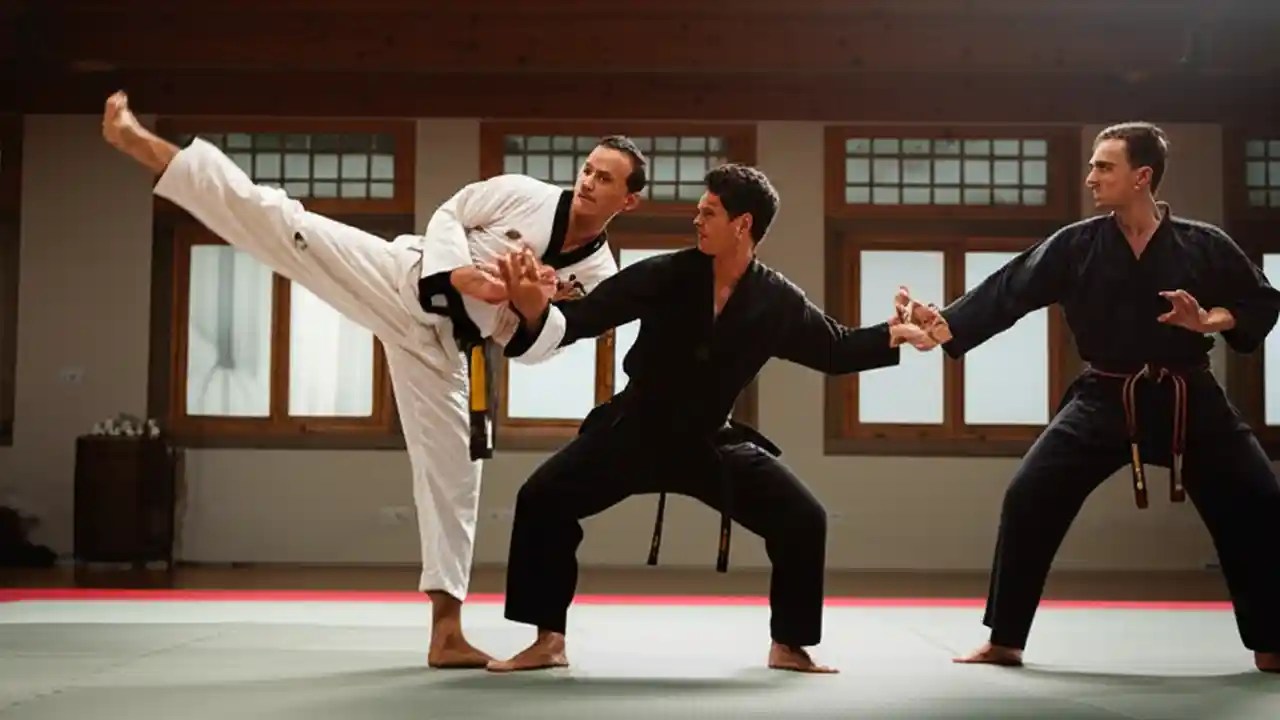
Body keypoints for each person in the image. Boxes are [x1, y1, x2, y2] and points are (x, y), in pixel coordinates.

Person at [100, 91, 648, 668]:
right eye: (588, 169)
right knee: (287, 224)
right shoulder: (524, 194)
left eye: (605, 178)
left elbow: (546, 345)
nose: (588, 181)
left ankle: (446, 633)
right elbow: (450, 213)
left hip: (446, 349)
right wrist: (463, 275)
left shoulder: (597, 276)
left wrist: (530, 307)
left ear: (628, 201)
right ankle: (153, 150)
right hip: (403, 279)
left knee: (457, 480)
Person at [482, 163, 936, 674]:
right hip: (634, 429)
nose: (696, 221)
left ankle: (789, 643)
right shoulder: (666, 274)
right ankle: (548, 640)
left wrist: (895, 332)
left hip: (707, 441)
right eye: (698, 212)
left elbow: (834, 348)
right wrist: (532, 308)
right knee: (541, 499)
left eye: (708, 213)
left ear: (743, 224)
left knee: (802, 519)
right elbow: (585, 318)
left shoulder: (774, 299)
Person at [896, 122, 1280, 673]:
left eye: (1104, 166)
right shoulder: (1077, 244)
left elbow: (1259, 303)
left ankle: (1273, 641)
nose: (1091, 176)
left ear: (1142, 176)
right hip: (1104, 394)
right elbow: (1009, 289)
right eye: (1093, 165)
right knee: (1029, 496)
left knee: (1258, 501)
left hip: (1187, 394)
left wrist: (1208, 321)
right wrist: (942, 326)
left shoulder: (1203, 244)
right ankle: (1005, 637)